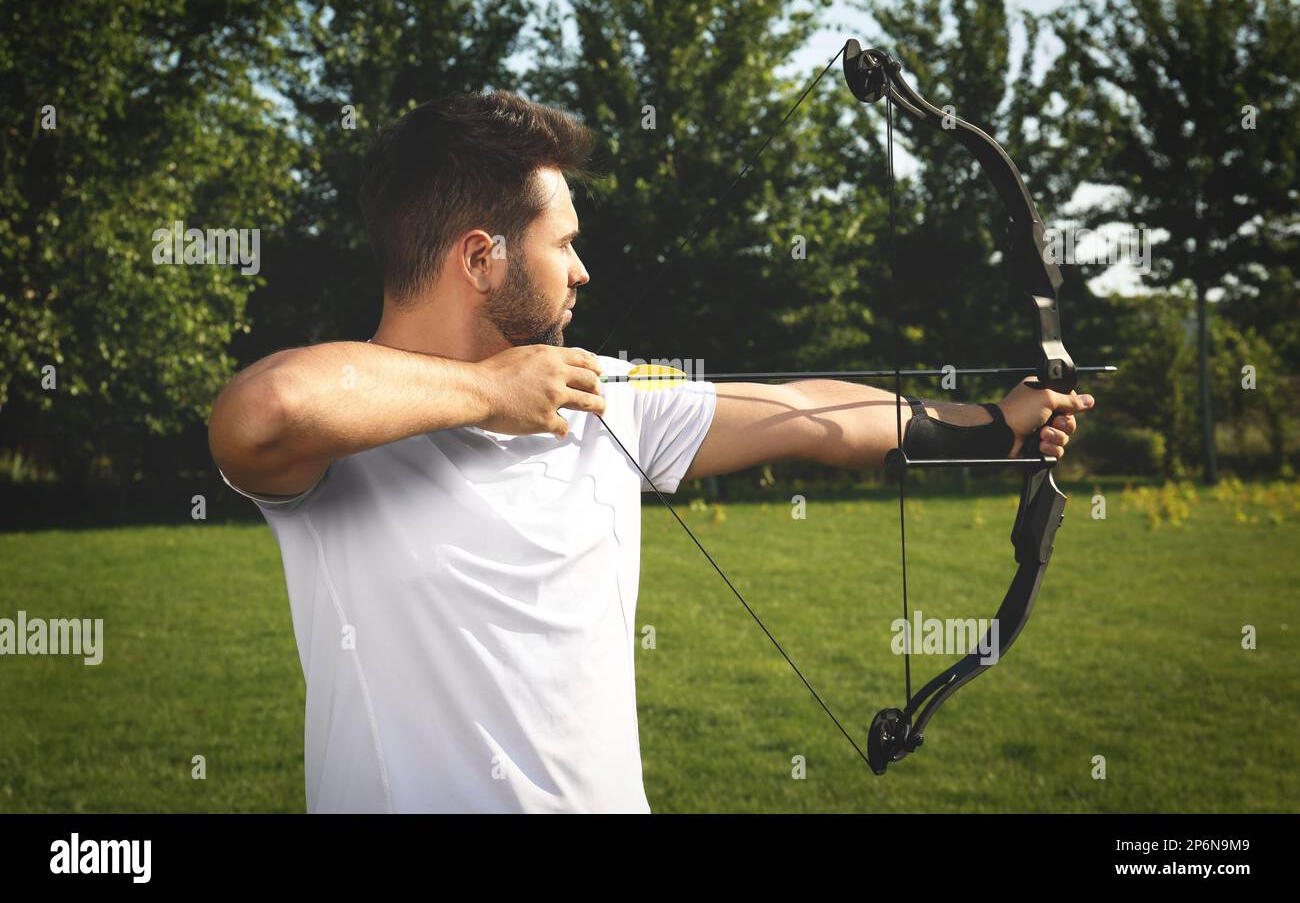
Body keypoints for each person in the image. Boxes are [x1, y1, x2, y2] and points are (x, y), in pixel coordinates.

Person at [208, 91, 1094, 813]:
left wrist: (991, 423)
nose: (582, 271)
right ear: (481, 259)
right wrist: (491, 394)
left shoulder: (604, 393)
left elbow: (801, 411)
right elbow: (263, 408)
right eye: (566, 245)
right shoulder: (335, 446)